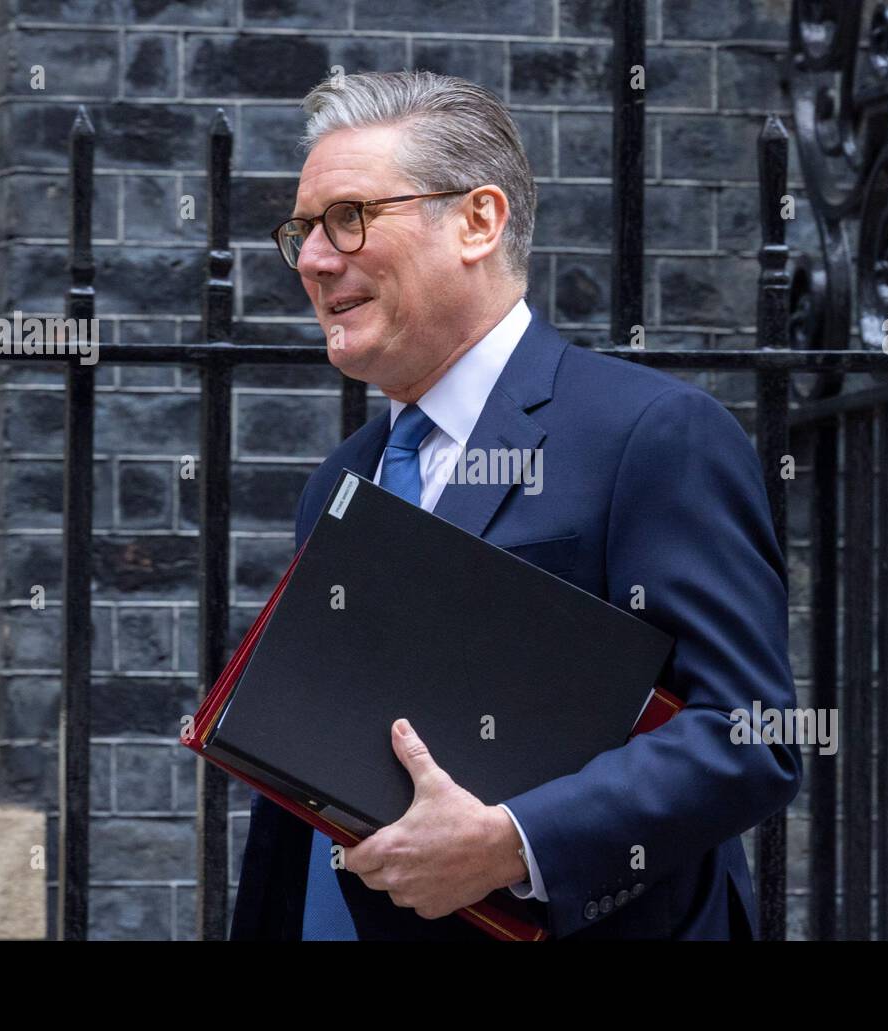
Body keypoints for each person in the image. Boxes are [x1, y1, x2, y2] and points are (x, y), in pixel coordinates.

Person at [229, 69, 801, 941]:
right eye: (303, 231)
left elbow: (750, 734)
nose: (312, 258)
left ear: (478, 220)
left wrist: (511, 842)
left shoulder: (651, 434)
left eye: (349, 217)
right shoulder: (341, 481)